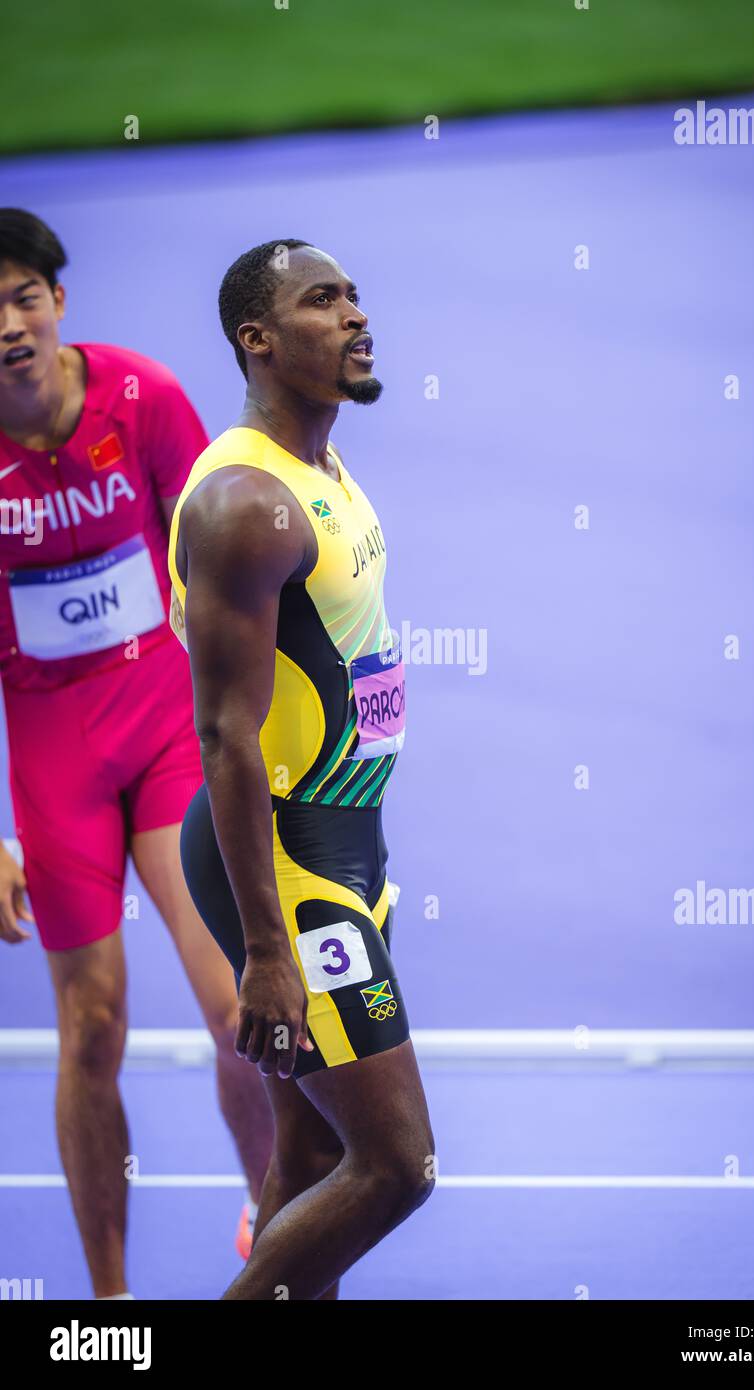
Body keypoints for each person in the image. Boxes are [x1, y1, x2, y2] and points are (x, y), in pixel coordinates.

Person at [0, 208, 273, 1298]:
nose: (8, 323)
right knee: (93, 1026)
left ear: (59, 300)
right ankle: (110, 1300)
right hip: (54, 752)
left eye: (23, 295)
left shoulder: (143, 399)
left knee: (239, 1006)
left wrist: (248, 735)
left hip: (164, 723)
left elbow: (221, 576)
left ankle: (278, 1225)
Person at [169, 238, 435, 1300]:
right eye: (323, 302)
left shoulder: (318, 463)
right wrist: (267, 951)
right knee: (394, 1166)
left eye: (355, 294)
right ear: (259, 339)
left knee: (316, 1159)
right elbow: (226, 736)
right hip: (287, 864)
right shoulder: (248, 506)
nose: (355, 314)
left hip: (344, 840)